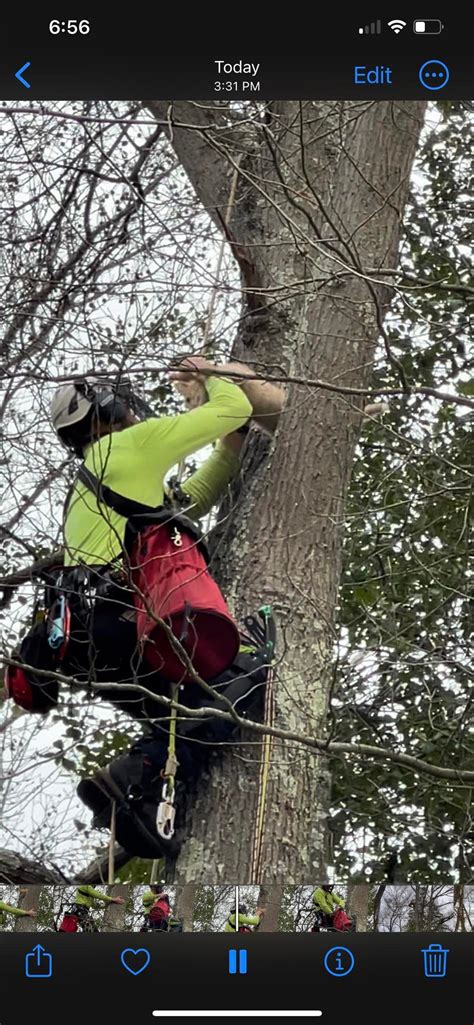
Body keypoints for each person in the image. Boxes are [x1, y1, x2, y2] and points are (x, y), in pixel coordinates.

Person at [6, 355, 284, 859]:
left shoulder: (108, 480)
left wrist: (234, 443)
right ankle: (131, 776)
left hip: (91, 642)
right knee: (248, 679)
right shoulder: (121, 446)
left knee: (188, 713)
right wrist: (210, 374)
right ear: (111, 408)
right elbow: (230, 407)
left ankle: (136, 797)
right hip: (117, 620)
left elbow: (191, 498)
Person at [58, 885, 125, 933]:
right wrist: (113, 899)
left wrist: (108, 904)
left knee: (89, 928)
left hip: (81, 912)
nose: (93, 887)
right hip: (79, 910)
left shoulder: (90, 897)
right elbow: (98, 895)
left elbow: (94, 906)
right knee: (92, 928)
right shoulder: (85, 886)